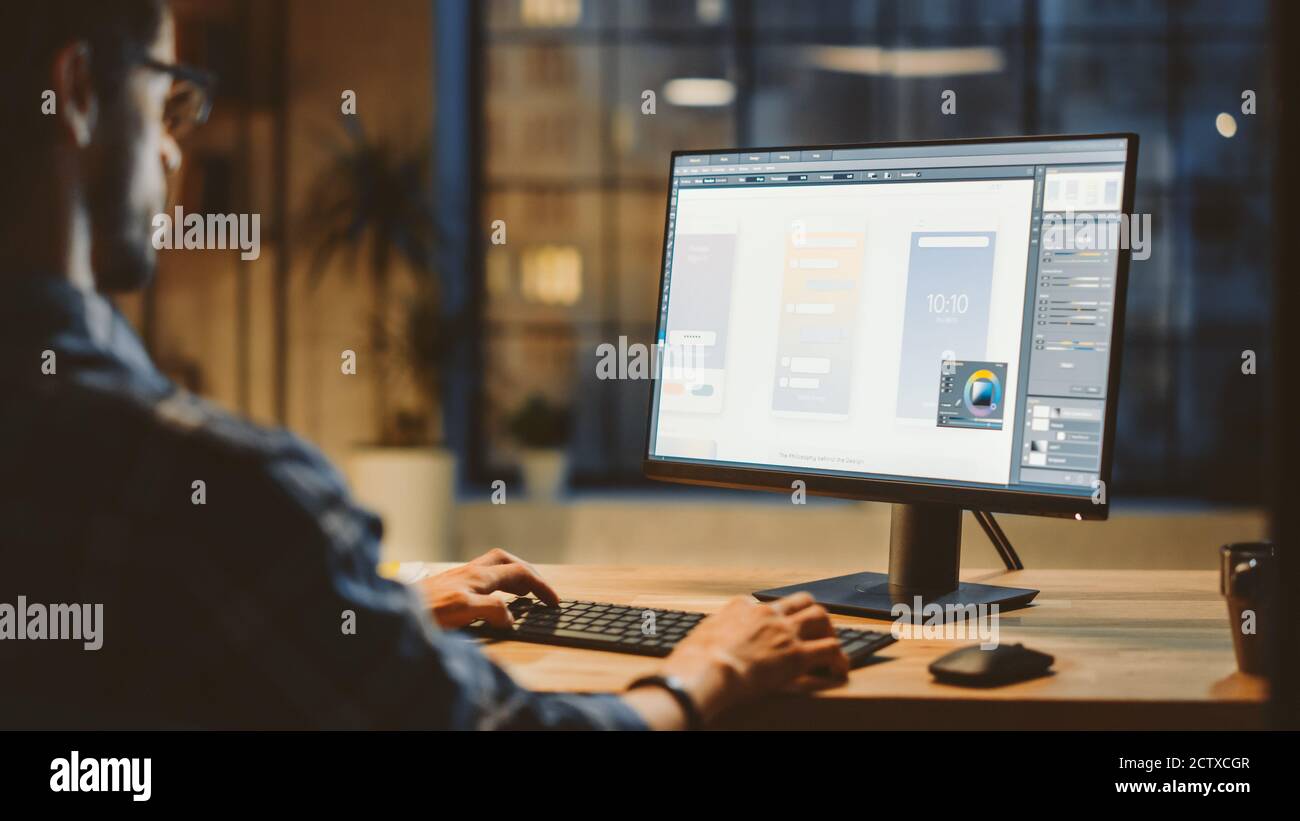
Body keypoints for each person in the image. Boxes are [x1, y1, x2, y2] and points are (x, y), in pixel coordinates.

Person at [0, 0, 848, 730]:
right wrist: (708, 671)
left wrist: (368, 615)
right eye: (166, 102)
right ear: (75, 93)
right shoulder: (215, 488)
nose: (174, 153)